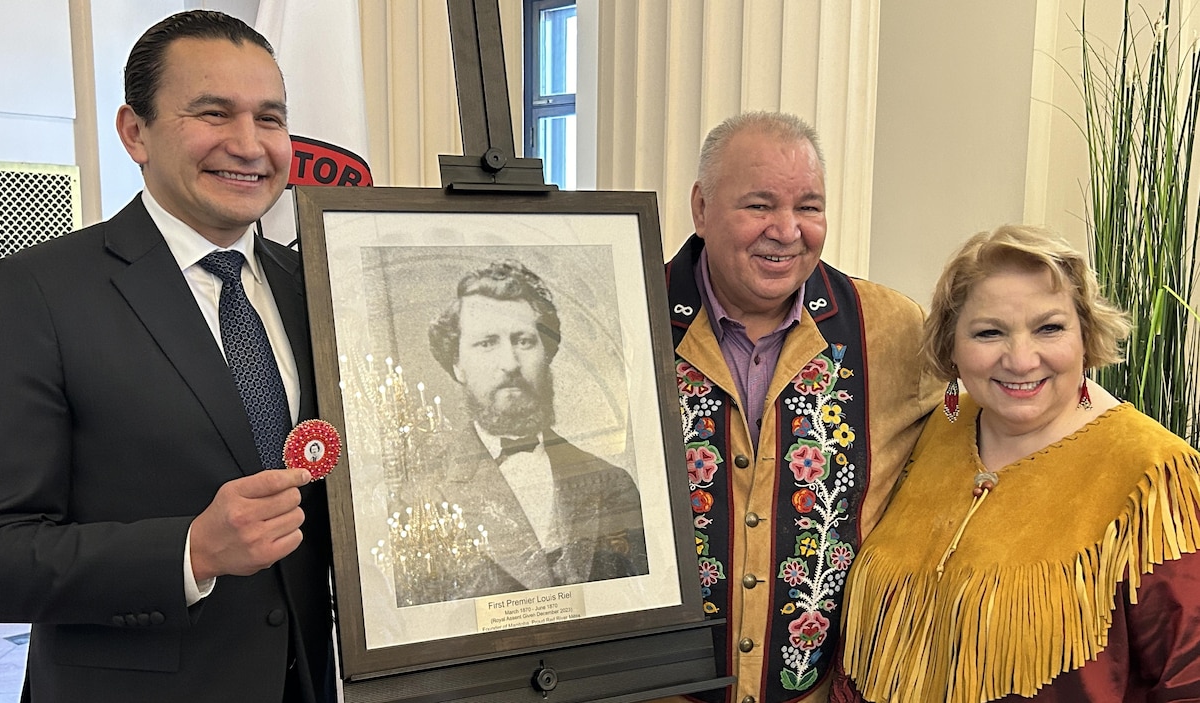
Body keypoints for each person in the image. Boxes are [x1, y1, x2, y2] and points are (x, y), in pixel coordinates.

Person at [0, 11, 332, 703]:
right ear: (135, 132)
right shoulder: (34, 293)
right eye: (214, 113)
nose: (249, 145)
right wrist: (190, 550)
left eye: (270, 119)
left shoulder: (319, 290)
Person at [651, 111, 943, 703]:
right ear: (701, 208)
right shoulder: (630, 315)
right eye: (759, 205)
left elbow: (984, 435)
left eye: (808, 207)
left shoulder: (889, 327)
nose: (787, 230)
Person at [838, 225, 1200, 702]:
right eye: (990, 332)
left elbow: (1186, 679)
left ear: (1086, 334)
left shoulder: (1154, 473)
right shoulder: (932, 433)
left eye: (1049, 328)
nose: (1021, 359)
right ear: (951, 347)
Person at [391, 258, 647, 605]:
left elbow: (642, 603)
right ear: (457, 365)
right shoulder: (420, 498)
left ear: (548, 353)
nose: (510, 363)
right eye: (486, 343)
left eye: (524, 341)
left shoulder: (612, 483)